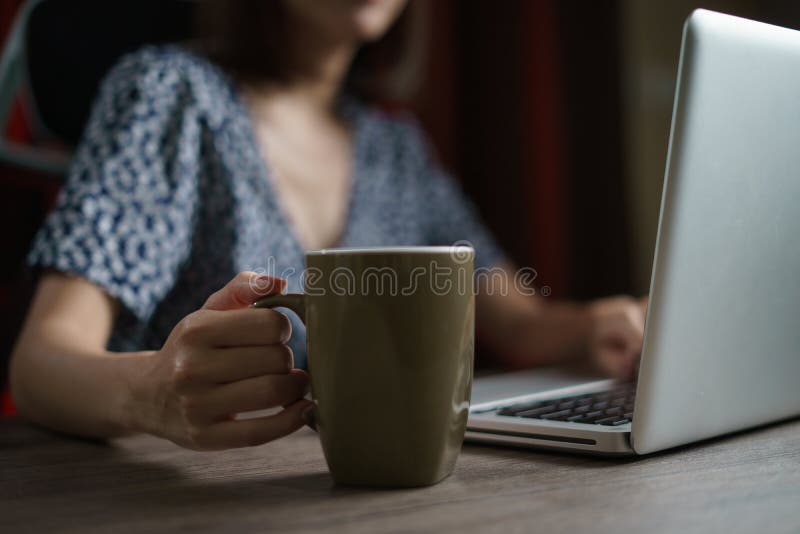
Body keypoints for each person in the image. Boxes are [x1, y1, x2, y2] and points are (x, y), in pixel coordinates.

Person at [9, 0, 646, 451]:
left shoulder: (394, 148)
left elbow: (521, 320)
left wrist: (596, 328)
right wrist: (149, 393)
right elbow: (40, 365)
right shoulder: (172, 96)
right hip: (184, 495)